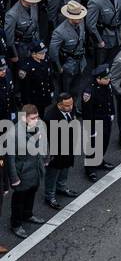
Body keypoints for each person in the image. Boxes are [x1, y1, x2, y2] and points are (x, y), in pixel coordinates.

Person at [6, 105, 45, 238]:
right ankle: (16, 224)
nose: (36, 120)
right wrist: (14, 179)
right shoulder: (14, 134)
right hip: (22, 174)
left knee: (31, 193)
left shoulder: (38, 126)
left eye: (37, 117)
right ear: (24, 118)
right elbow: (10, 159)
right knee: (19, 200)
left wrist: (45, 158)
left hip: (35, 169)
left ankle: (27, 215)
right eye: (33, 118)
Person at [41, 92, 80, 209]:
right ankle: (50, 196)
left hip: (68, 147)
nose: (71, 107)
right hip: (56, 151)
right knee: (53, 174)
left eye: (71, 104)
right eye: (67, 105)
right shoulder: (51, 117)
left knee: (65, 169)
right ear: (59, 105)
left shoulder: (70, 110)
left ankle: (61, 187)